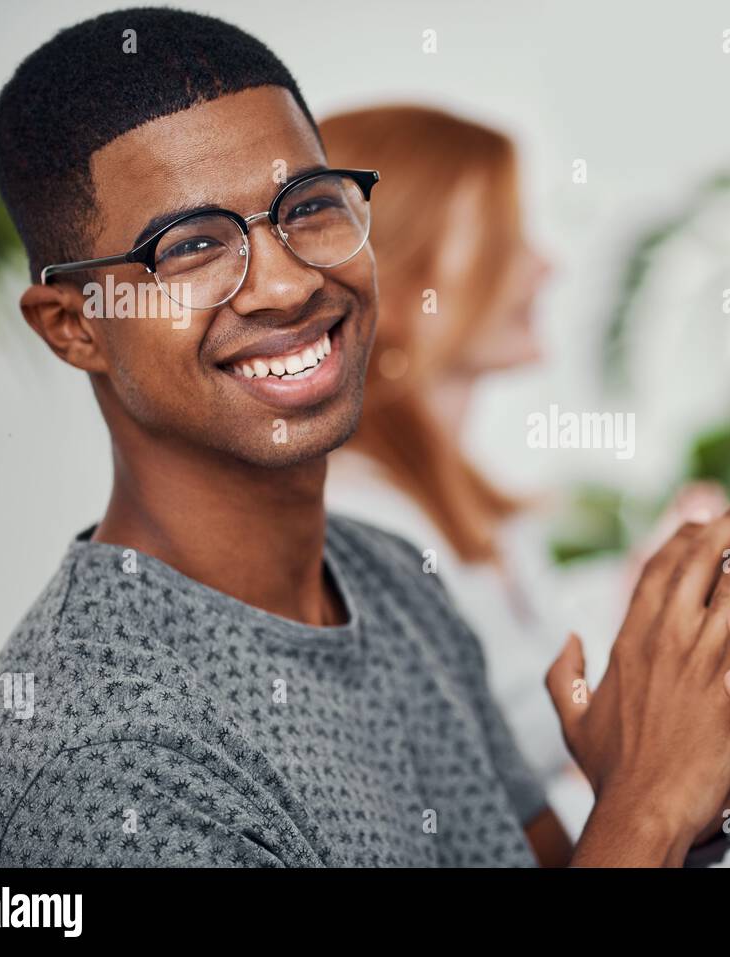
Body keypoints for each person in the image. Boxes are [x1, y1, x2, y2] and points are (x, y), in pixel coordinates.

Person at [0, 7, 730, 868]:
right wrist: (648, 806)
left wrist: (676, 799)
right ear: (71, 325)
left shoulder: (395, 579)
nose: (285, 284)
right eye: (191, 245)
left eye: (309, 205)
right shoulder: (104, 766)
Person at [315, 105, 572, 783]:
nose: (548, 267)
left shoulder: (460, 497)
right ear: (389, 285)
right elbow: (484, 778)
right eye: (503, 243)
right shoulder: (358, 524)